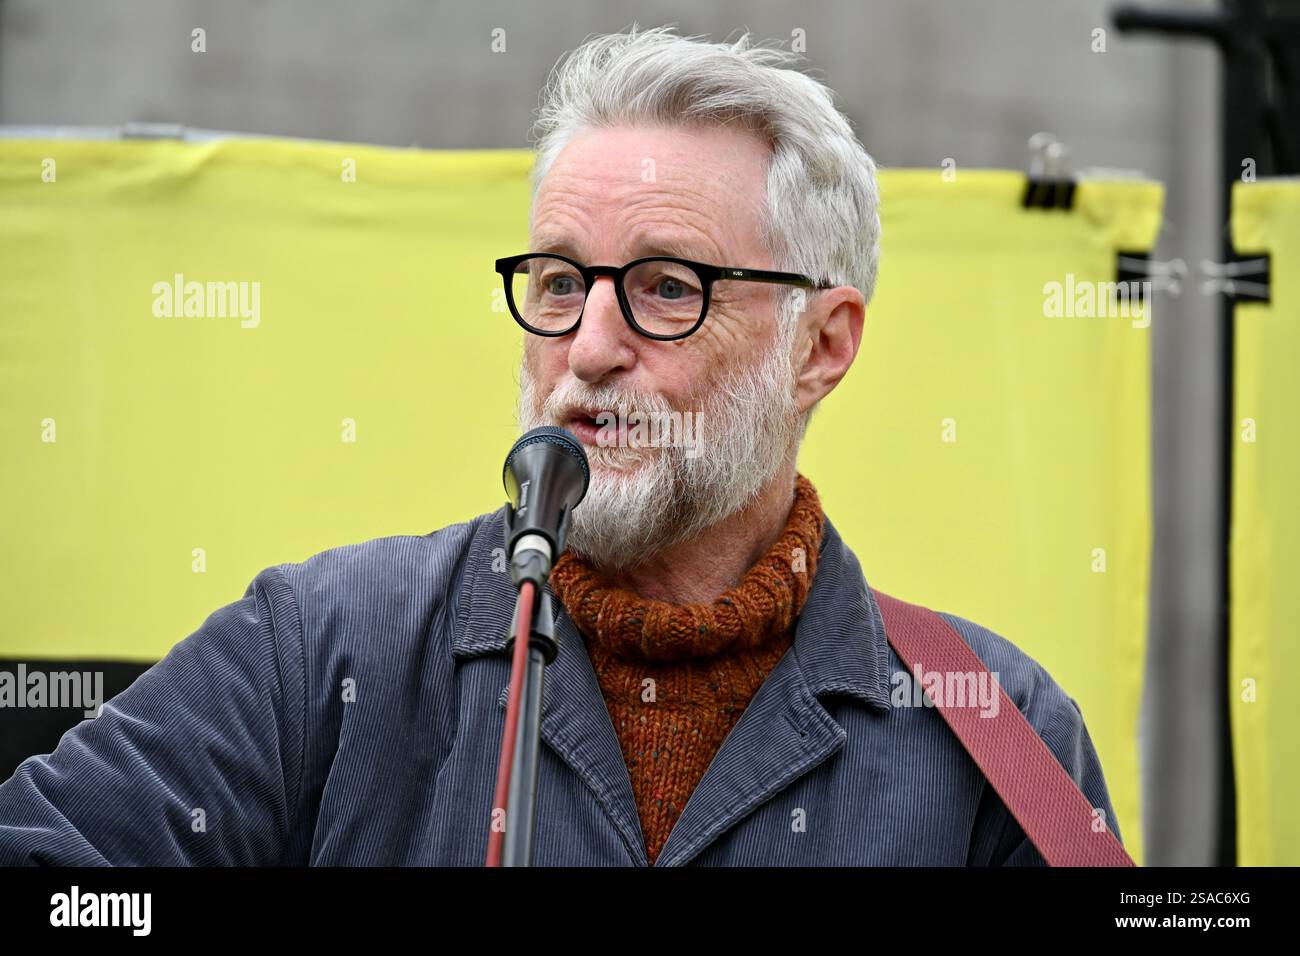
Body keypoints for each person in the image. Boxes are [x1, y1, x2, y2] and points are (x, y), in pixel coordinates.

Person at [0, 26, 1122, 866]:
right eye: (555, 282)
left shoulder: (1000, 729)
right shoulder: (322, 651)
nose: (587, 346)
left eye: (666, 287)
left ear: (819, 346)